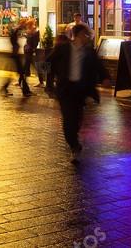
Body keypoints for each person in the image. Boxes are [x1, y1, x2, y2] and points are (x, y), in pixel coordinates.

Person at [48, 23, 108, 163]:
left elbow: (98, 66)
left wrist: (105, 77)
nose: (88, 38)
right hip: (66, 90)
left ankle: (74, 141)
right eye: (86, 35)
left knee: (77, 119)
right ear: (79, 35)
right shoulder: (63, 49)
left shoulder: (89, 52)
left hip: (80, 91)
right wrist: (49, 84)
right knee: (68, 121)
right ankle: (74, 144)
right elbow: (47, 63)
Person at [2, 21, 30, 97]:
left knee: (19, 75)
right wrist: (19, 27)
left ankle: (25, 90)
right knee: (19, 75)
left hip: (15, 58)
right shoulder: (14, 41)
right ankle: (25, 91)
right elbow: (15, 33)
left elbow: (15, 33)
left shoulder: (14, 41)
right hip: (15, 58)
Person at [46, 24, 71, 95]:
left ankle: (51, 88)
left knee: (52, 75)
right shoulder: (64, 39)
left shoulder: (61, 39)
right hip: (60, 64)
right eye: (67, 28)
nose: (69, 29)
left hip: (59, 64)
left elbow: (54, 53)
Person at [25, 21, 43, 87]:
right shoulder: (30, 31)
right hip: (28, 51)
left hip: (31, 52)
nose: (27, 26)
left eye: (28, 25)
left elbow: (35, 42)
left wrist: (33, 50)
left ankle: (41, 82)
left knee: (36, 66)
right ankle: (22, 81)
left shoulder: (35, 32)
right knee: (26, 66)